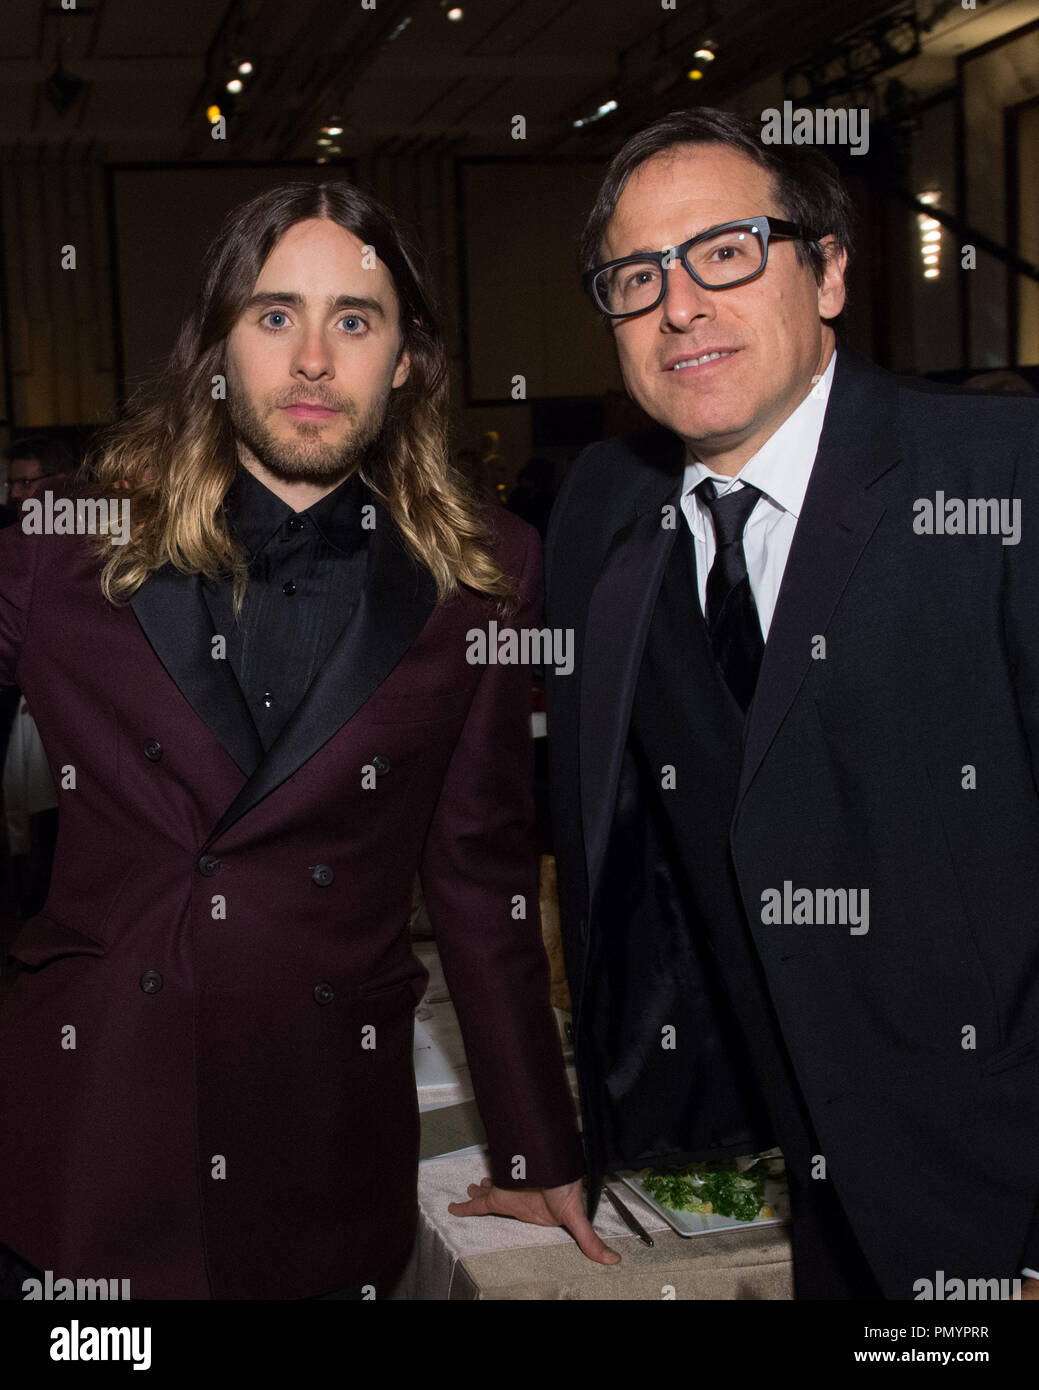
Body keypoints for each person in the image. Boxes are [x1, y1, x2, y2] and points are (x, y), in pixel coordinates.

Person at [0, 180, 617, 1301]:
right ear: (216, 353)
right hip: (90, 1133)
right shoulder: (65, 549)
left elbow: (481, 880)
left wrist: (533, 1147)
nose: (314, 360)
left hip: (325, 1136)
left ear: (408, 360)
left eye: (356, 319)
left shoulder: (486, 572)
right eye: (275, 315)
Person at [544, 107, 1039, 1301]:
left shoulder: (1003, 476)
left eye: (724, 251)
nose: (678, 305)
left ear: (826, 271)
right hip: (812, 1192)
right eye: (635, 275)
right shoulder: (607, 512)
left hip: (1000, 1203)